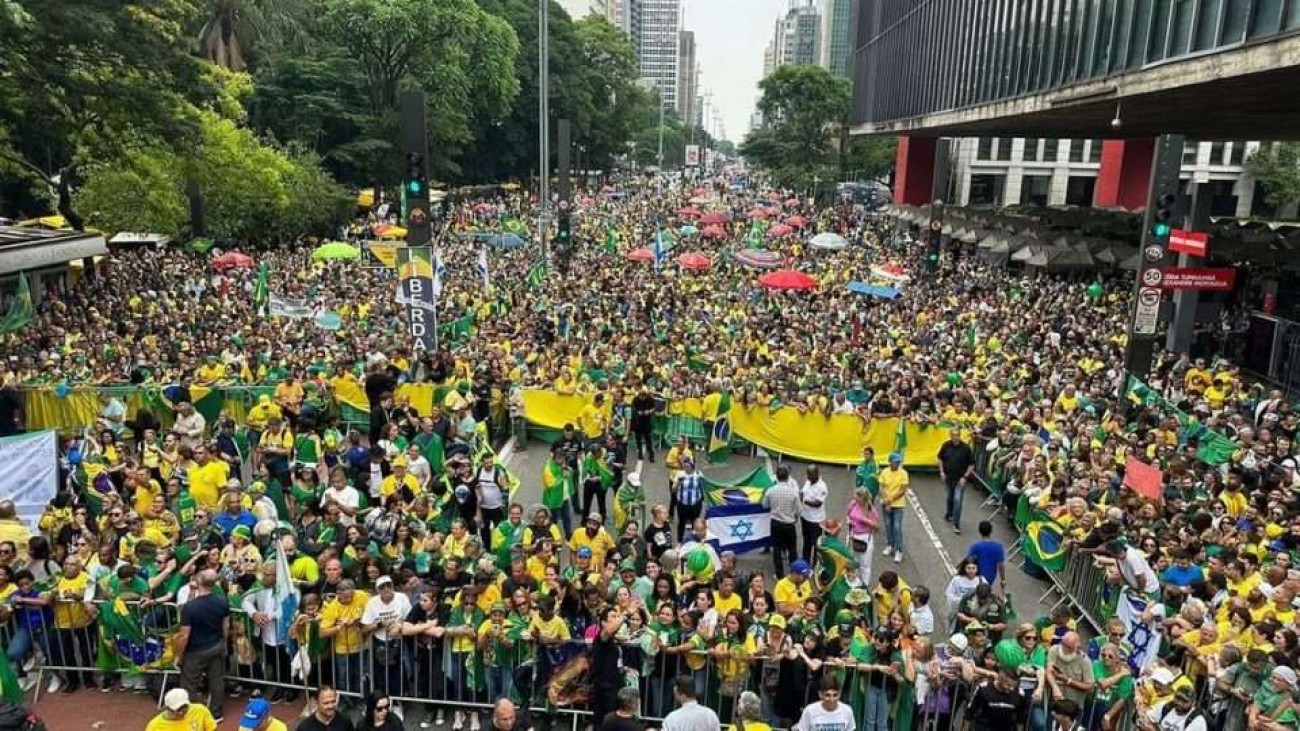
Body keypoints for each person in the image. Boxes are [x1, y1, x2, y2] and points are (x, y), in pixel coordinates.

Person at [176, 569, 230, 723]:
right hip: (216, 646)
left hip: (195, 651)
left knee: (189, 684)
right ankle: (216, 713)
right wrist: (223, 642)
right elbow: (225, 627)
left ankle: (194, 715)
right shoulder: (222, 601)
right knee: (217, 680)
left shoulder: (190, 607)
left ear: (198, 581)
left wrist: (179, 656)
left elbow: (184, 635)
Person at [763, 464, 800, 578]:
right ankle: (794, 572)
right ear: (788, 476)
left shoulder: (770, 491)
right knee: (792, 550)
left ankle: (779, 574)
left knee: (777, 549)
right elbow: (798, 510)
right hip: (789, 523)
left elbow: (765, 505)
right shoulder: (794, 492)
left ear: (777, 477)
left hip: (776, 523)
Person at [937, 430, 975, 534]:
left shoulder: (966, 448)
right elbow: (940, 458)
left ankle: (956, 523)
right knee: (950, 497)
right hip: (949, 477)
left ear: (959, 436)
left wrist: (965, 477)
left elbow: (971, 464)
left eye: (957, 435)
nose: (955, 437)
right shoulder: (946, 445)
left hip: (960, 479)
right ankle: (949, 513)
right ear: (950, 436)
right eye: (953, 435)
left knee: (958, 500)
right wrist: (941, 472)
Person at [879, 452, 908, 563]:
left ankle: (899, 550)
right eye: (895, 462)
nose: (897, 464)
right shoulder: (885, 472)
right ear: (890, 462)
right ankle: (890, 545)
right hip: (886, 503)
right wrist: (886, 501)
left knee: (896, 527)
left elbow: (903, 490)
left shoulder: (903, 473)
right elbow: (881, 487)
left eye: (898, 462)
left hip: (898, 504)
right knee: (888, 525)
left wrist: (890, 500)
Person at [146, 687, 217, 731]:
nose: (181, 713)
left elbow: (212, 729)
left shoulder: (200, 710)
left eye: (184, 708)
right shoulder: (154, 726)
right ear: (167, 708)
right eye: (177, 710)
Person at [967, 521, 1006, 592]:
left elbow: (969, 561)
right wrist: (1003, 579)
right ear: (991, 531)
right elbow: (1001, 565)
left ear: (979, 531)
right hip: (990, 577)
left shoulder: (975, 546)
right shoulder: (998, 546)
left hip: (977, 576)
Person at [799, 466, 827, 562]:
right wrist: (800, 496)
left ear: (816, 474)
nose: (808, 476)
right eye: (807, 474)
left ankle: (815, 565)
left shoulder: (822, 487)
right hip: (805, 517)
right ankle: (805, 562)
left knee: (816, 544)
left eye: (810, 474)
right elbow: (802, 492)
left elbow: (818, 504)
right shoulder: (808, 481)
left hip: (816, 521)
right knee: (806, 542)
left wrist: (805, 501)